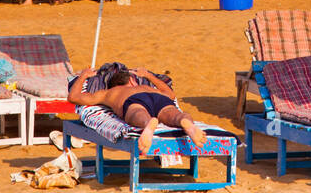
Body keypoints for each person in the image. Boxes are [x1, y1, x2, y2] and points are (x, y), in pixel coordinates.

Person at [69, 66, 208, 156]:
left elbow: (73, 97)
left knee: (136, 112)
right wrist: (147, 75)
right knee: (173, 114)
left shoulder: (110, 92)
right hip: (158, 98)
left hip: (133, 100)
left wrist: (83, 76)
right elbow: (170, 94)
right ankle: (184, 121)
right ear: (132, 80)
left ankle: (147, 123)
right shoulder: (147, 87)